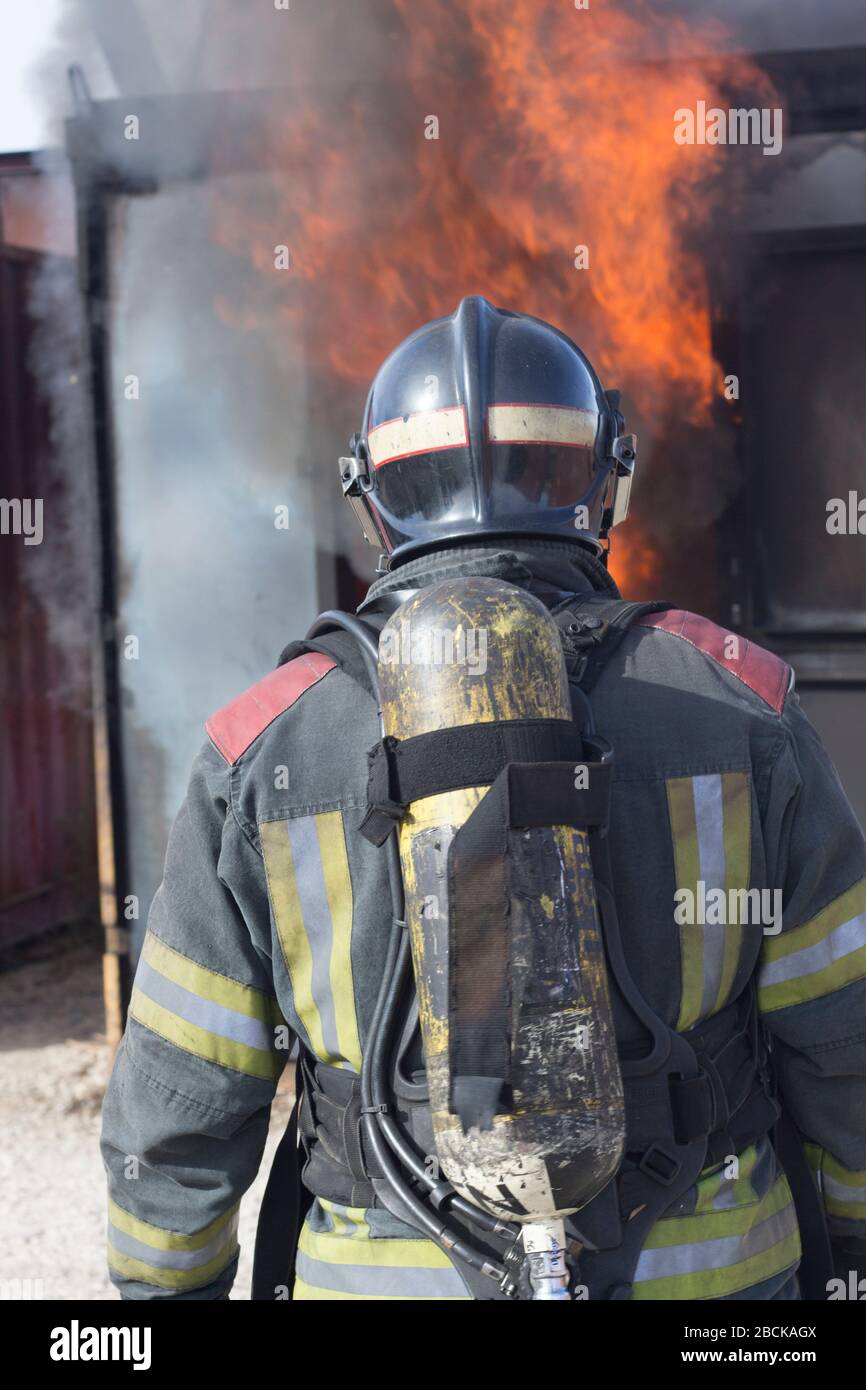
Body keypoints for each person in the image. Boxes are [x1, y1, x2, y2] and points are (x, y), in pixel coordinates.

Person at [101, 296, 866, 1300]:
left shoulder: (262, 745)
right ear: (603, 486)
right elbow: (843, 1044)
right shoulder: (740, 708)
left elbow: (175, 1113)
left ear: (371, 503)